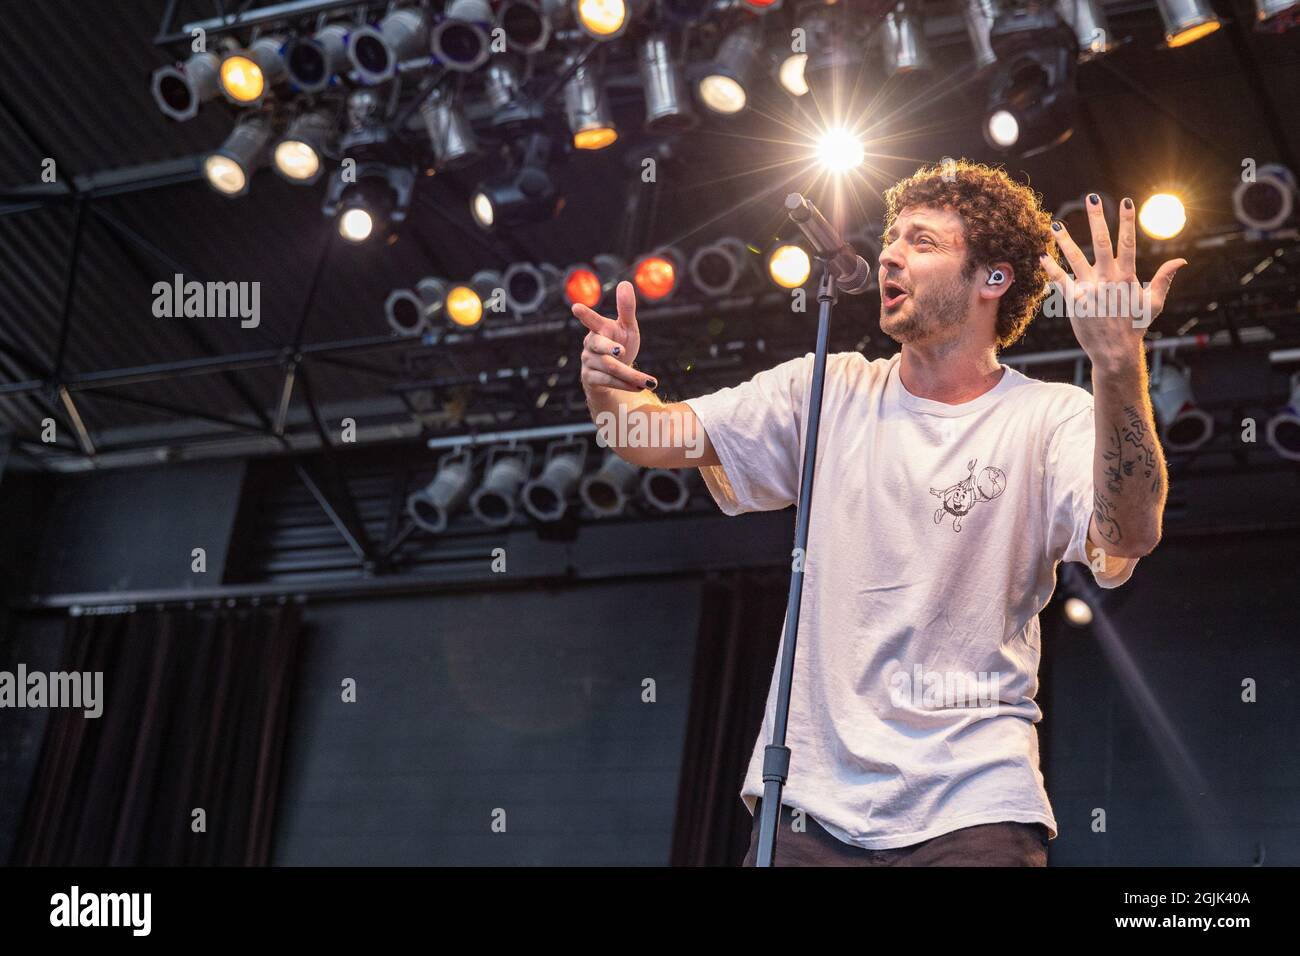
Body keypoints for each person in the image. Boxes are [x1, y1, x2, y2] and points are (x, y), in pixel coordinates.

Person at [574, 160, 1184, 866]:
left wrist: (1116, 367)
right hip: (808, 807)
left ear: (993, 279)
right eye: (892, 238)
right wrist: (606, 386)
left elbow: (1131, 532)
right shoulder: (828, 388)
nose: (891, 253)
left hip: (974, 809)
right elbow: (648, 437)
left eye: (923, 242)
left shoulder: (1050, 417)